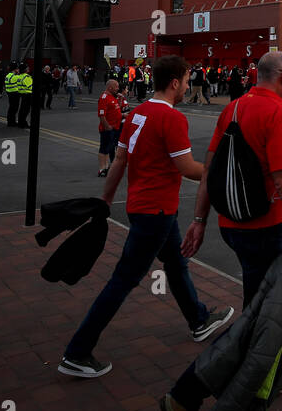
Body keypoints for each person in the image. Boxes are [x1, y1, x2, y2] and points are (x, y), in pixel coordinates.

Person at [160, 51, 282, 411]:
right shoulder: (279, 115)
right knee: (256, 322)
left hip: (230, 225)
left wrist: (199, 221)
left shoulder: (233, 108)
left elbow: (212, 168)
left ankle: (273, 371)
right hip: (262, 230)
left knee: (262, 310)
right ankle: (184, 397)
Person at [59, 55, 234, 379]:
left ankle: (198, 320)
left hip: (145, 207)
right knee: (122, 280)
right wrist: (222, 171)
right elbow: (188, 168)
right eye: (185, 80)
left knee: (176, 262)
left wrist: (106, 200)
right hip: (156, 210)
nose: (186, 86)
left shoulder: (137, 113)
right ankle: (77, 352)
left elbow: (120, 161)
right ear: (174, 83)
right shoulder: (171, 118)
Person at [96, 78, 124, 176]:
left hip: (114, 128)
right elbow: (101, 115)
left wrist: (120, 99)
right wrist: (107, 126)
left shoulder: (112, 97)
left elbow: (117, 109)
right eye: (116, 87)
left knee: (108, 148)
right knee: (103, 148)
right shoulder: (104, 98)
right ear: (110, 87)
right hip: (108, 129)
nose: (118, 88)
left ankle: (106, 166)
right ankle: (102, 168)